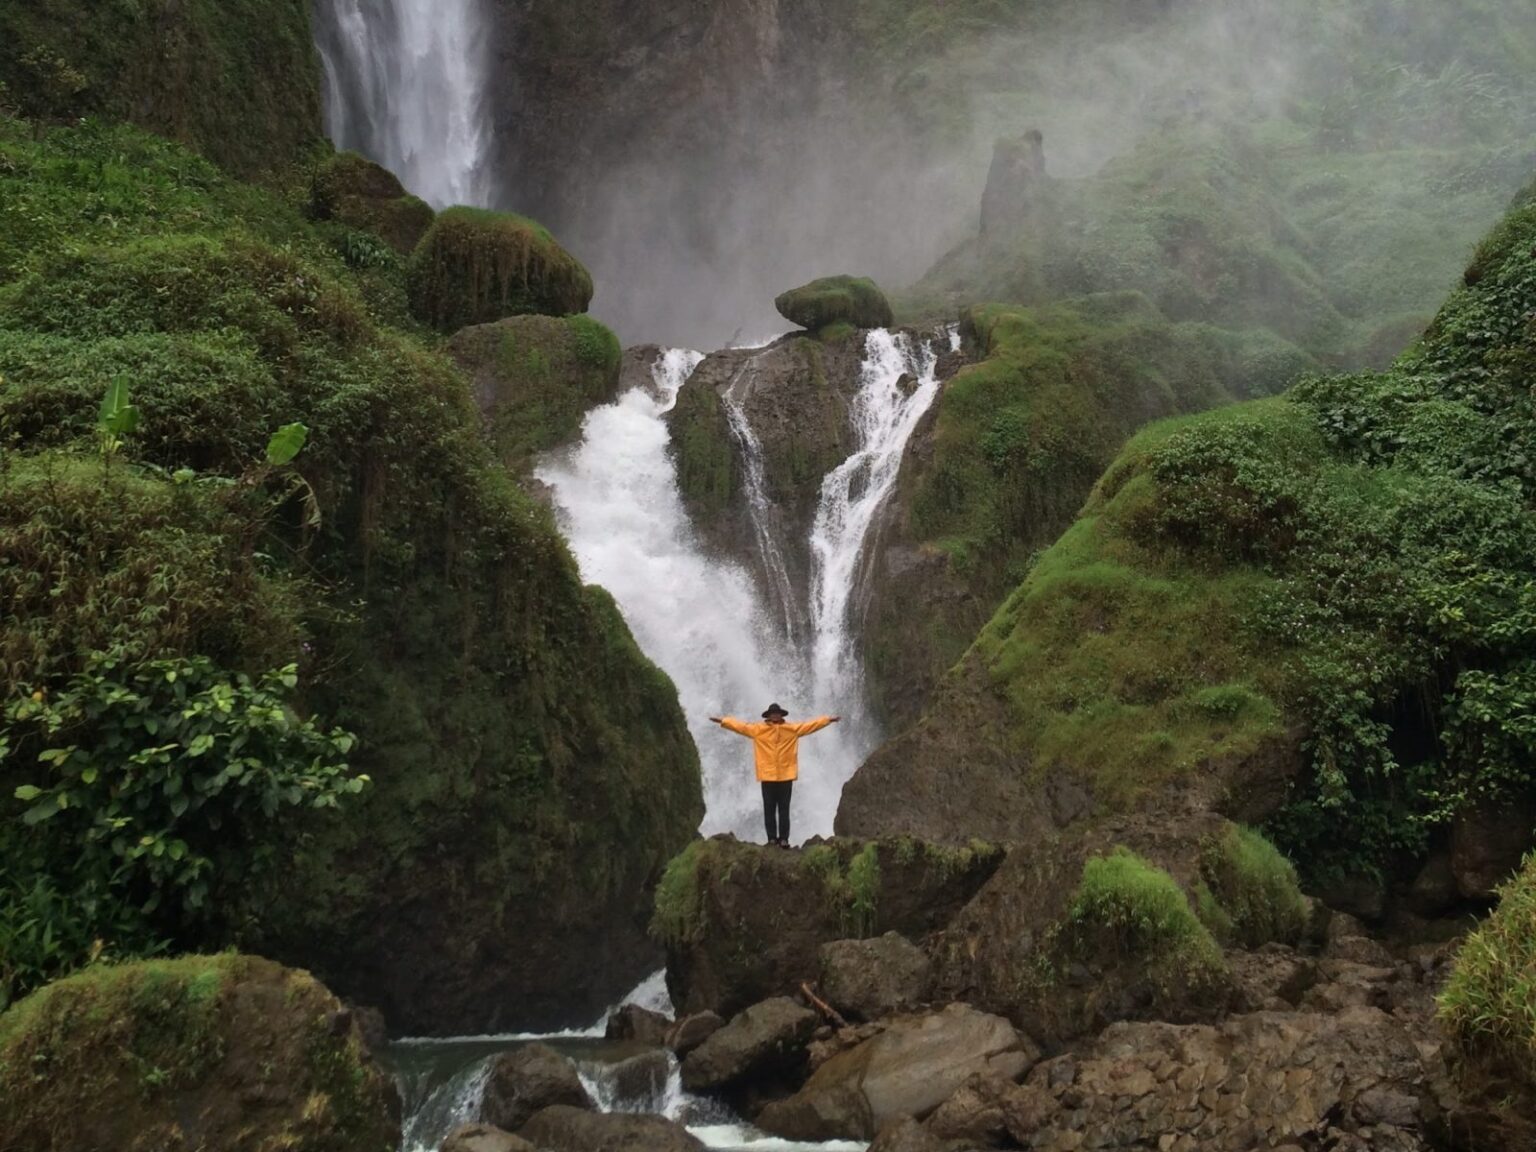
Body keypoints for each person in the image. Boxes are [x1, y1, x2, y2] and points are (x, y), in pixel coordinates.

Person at [709, 704, 840, 848]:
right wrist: (723, 721)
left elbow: (810, 726)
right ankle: (771, 839)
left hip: (786, 775)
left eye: (778, 713)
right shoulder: (758, 730)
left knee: (784, 809)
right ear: (769, 716)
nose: (776, 715)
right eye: (773, 713)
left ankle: (784, 839)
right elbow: (740, 727)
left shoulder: (791, 729)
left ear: (781, 715)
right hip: (767, 776)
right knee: (769, 809)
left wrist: (827, 720)